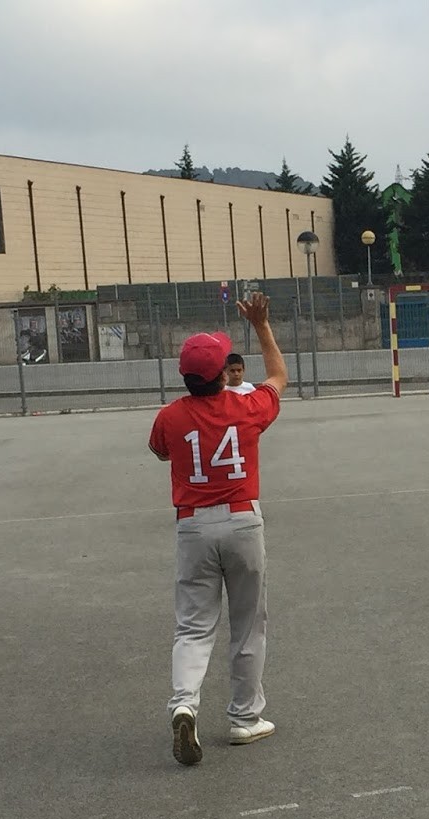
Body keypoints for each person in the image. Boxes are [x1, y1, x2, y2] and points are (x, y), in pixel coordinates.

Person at [149, 294, 288, 766]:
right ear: (220, 373)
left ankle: (184, 703)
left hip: (193, 525)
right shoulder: (245, 407)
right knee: (248, 623)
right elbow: (278, 377)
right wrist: (262, 327)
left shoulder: (170, 415)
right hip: (242, 518)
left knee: (193, 625)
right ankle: (245, 718)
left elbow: (161, 451)